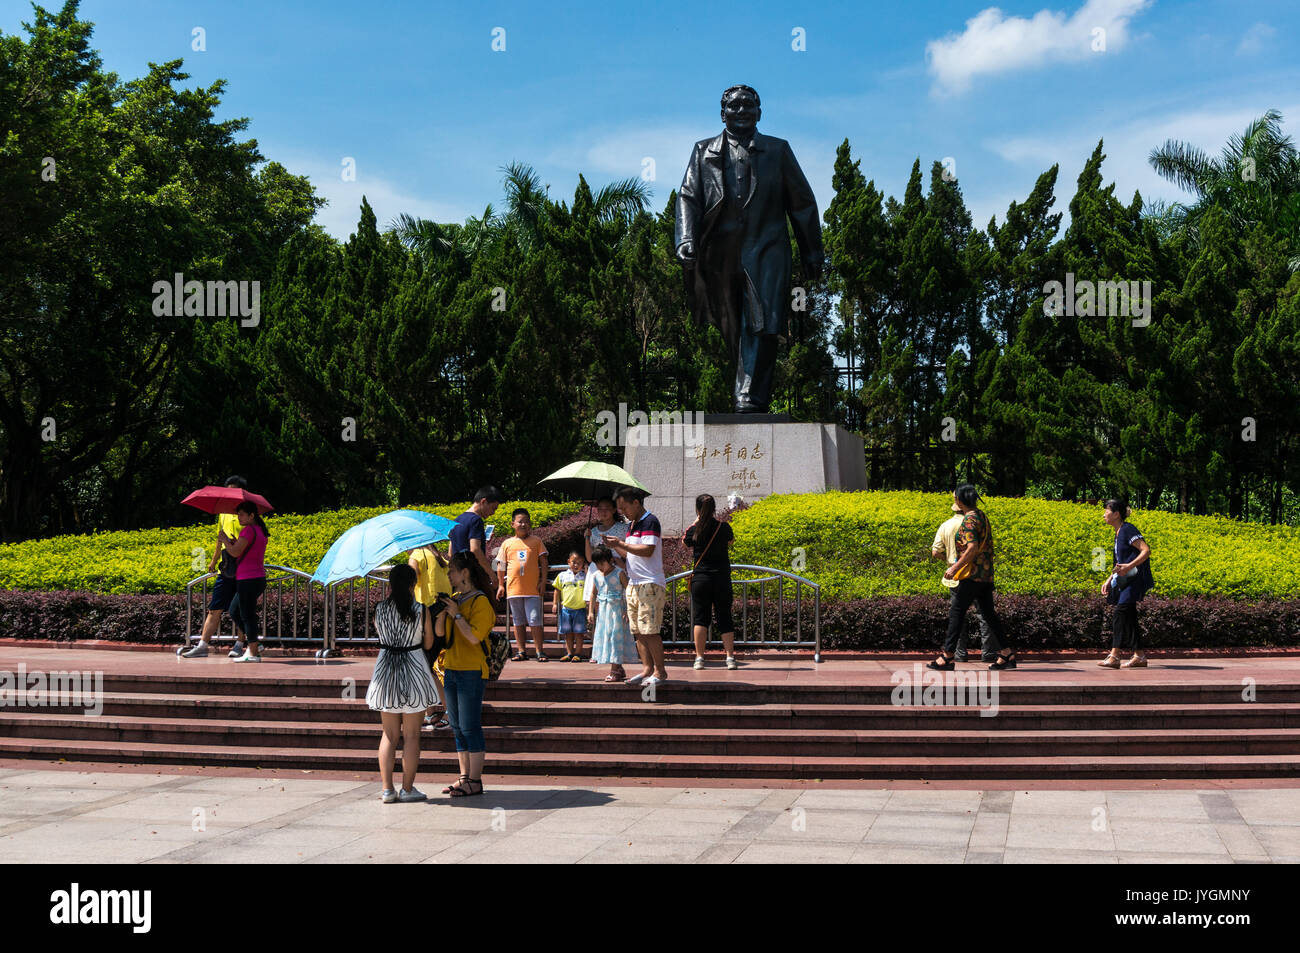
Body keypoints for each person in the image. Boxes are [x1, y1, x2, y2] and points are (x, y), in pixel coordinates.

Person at [365, 563, 439, 803]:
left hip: (386, 667)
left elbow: (381, 635)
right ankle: (407, 789)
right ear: (413, 583)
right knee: (412, 735)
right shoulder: (421, 609)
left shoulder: (379, 608)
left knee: (388, 735)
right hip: (414, 667)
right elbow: (428, 644)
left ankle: (387, 789)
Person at [930, 485, 1014, 671]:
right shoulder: (981, 516)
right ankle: (1007, 653)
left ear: (960, 501)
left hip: (971, 575)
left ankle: (948, 656)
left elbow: (972, 548)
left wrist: (954, 568)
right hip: (985, 575)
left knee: (956, 613)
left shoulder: (968, 520)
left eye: (955, 498)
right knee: (988, 614)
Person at [435, 551, 497, 797]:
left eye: (452, 571)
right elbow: (441, 634)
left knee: (471, 726)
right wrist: (442, 612)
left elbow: (473, 637)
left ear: (465, 573)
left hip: (472, 670)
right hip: (451, 667)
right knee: (457, 726)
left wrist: (457, 614)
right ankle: (464, 777)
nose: (448, 575)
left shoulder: (480, 602)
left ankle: (476, 780)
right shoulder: (456, 598)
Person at [181, 475, 247, 659]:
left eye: (234, 490)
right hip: (226, 568)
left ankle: (240, 644)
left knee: (240, 608)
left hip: (242, 568)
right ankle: (202, 645)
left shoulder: (247, 515)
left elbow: (248, 542)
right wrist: (213, 560)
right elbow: (220, 540)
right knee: (214, 608)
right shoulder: (223, 514)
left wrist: (234, 544)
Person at [606, 487, 668, 686]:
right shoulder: (632, 524)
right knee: (638, 631)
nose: (622, 512)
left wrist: (621, 544)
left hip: (650, 583)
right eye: (620, 509)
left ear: (636, 503)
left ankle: (660, 672)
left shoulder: (650, 520)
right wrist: (615, 546)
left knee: (649, 630)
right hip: (634, 583)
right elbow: (631, 554)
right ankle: (647, 669)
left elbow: (648, 550)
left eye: (624, 507)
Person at [930, 501, 994, 663]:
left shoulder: (946, 525)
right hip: (977, 572)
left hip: (956, 575)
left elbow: (935, 552)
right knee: (985, 615)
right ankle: (988, 653)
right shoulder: (975, 521)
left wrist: (950, 563)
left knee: (958, 615)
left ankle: (958, 654)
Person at [682, 494, 737, 670]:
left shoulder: (694, 529)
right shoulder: (724, 527)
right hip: (721, 578)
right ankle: (729, 658)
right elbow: (731, 542)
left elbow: (685, 543)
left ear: (698, 509)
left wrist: (697, 520)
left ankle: (699, 658)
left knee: (700, 619)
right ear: (714, 509)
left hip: (701, 579)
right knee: (724, 617)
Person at [1099, 499, 1155, 669]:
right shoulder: (1118, 533)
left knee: (1120, 613)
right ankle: (1139, 656)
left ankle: (1115, 655)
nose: (1103, 515)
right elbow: (1120, 562)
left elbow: (1146, 550)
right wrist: (1109, 579)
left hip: (1134, 579)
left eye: (1106, 511)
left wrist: (1129, 566)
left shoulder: (1128, 529)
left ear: (1116, 514)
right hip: (1125, 580)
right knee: (1129, 617)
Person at [496, 508, 549, 661]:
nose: (523, 524)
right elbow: (500, 565)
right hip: (514, 589)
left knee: (534, 620)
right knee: (518, 621)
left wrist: (543, 582)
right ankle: (521, 651)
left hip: (532, 589)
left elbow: (544, 562)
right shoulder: (507, 543)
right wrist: (500, 585)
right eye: (520, 521)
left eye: (526, 521)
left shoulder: (536, 541)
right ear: (513, 524)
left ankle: (539, 651)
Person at [409, 542, 452, 729]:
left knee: (426, 666)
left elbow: (409, 582)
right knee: (428, 666)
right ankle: (432, 711)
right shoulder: (441, 558)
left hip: (426, 616)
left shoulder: (417, 555)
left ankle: (447, 711)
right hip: (442, 614)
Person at [221, 501, 269, 662]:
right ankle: (254, 643)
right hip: (256, 578)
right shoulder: (260, 531)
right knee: (235, 610)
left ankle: (253, 653)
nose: (238, 517)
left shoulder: (248, 530)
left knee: (247, 615)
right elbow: (247, 550)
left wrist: (224, 540)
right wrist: (235, 542)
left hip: (248, 579)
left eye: (241, 514)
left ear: (251, 515)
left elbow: (234, 553)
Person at [582, 498, 629, 659]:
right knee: (596, 611)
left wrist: (615, 554)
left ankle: (615, 648)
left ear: (615, 510)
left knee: (616, 611)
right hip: (598, 571)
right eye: (600, 508)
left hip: (616, 570)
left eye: (607, 508)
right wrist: (587, 538)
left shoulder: (623, 528)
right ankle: (598, 649)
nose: (603, 511)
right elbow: (589, 558)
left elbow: (627, 552)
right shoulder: (594, 531)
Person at [588, 545, 637, 683]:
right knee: (607, 638)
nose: (599, 566)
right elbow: (593, 593)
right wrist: (590, 611)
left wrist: (628, 610)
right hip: (603, 613)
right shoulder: (596, 576)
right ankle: (619, 668)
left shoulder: (619, 573)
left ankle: (615, 670)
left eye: (602, 563)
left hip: (617, 612)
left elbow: (629, 591)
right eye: (596, 563)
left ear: (610, 560)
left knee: (615, 638)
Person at [449, 486, 503, 580]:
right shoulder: (476, 520)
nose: (493, 513)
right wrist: (491, 574)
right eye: (493, 508)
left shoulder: (456, 521)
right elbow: (475, 550)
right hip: (473, 577)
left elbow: (450, 553)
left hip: (459, 577)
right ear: (483, 501)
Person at [552, 551, 588, 661]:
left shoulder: (585, 576)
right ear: (568, 562)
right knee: (567, 633)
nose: (576, 565)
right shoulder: (562, 575)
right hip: (566, 609)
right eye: (574, 562)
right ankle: (569, 653)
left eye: (579, 563)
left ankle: (578, 653)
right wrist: (554, 603)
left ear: (583, 564)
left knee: (579, 633)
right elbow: (557, 590)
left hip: (580, 609)